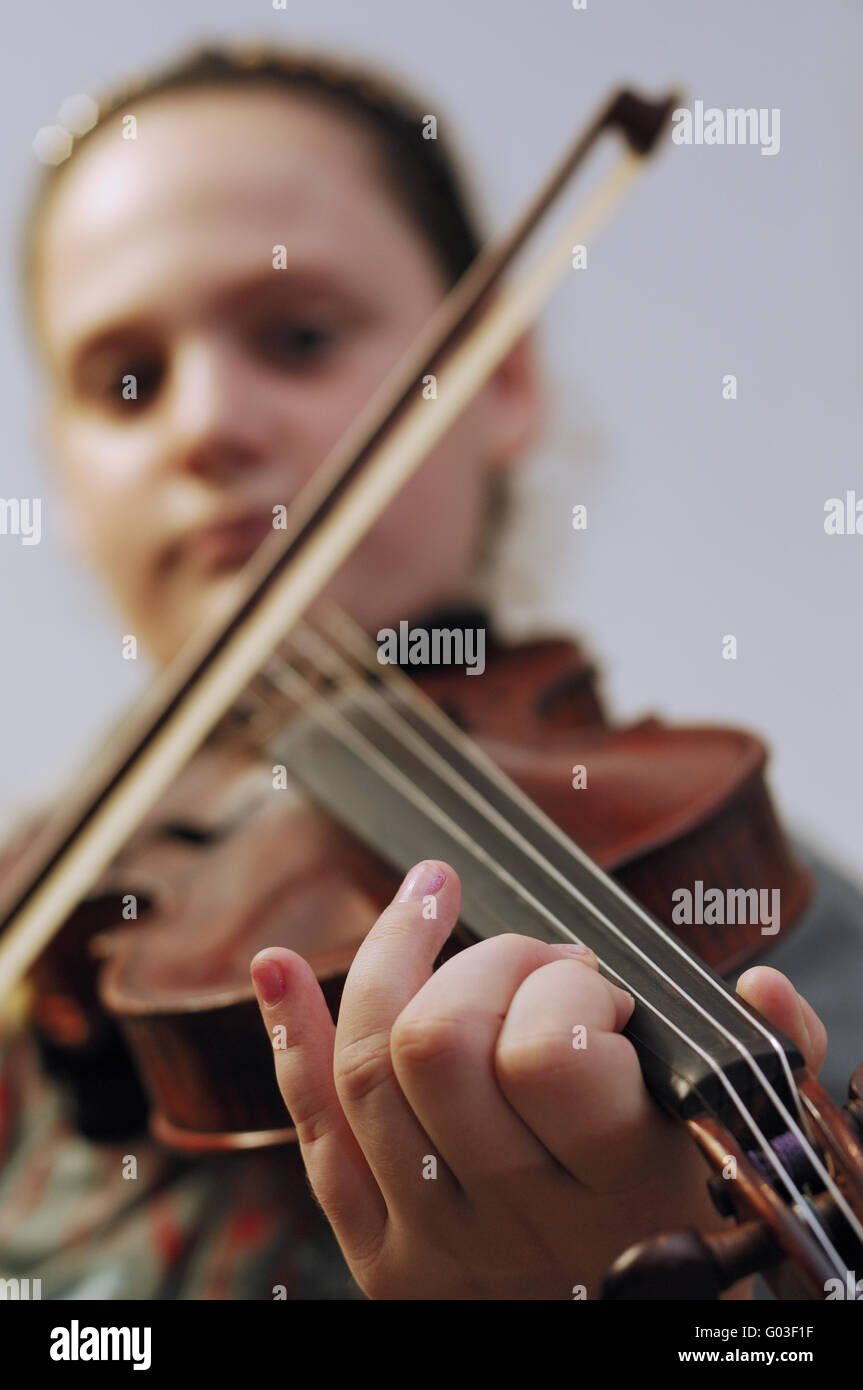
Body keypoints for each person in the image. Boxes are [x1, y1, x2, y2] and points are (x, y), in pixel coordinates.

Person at [1, 43, 858, 1301]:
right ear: (68, 480)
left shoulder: (758, 914)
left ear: (496, 376)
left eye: (298, 336)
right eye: (126, 384)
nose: (205, 425)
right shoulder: (42, 940)